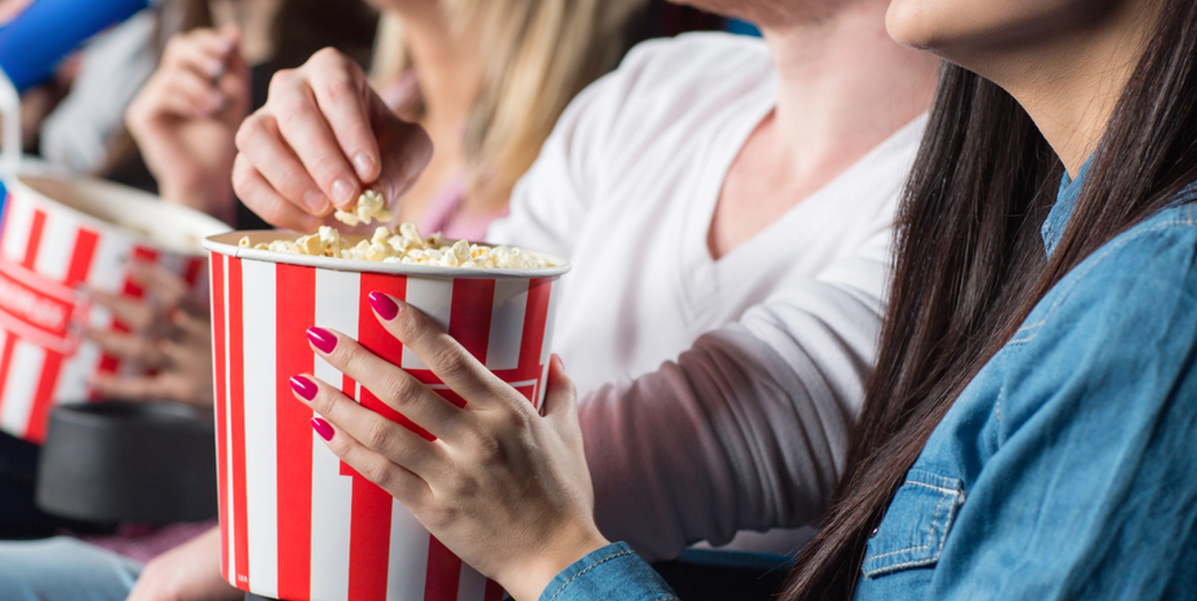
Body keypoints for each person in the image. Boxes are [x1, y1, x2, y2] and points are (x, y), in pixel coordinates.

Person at [280, 0, 1197, 598]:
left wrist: (550, 552)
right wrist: (357, 231)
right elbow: (463, 406)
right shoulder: (656, 85)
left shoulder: (1144, 297)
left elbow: (502, 467)